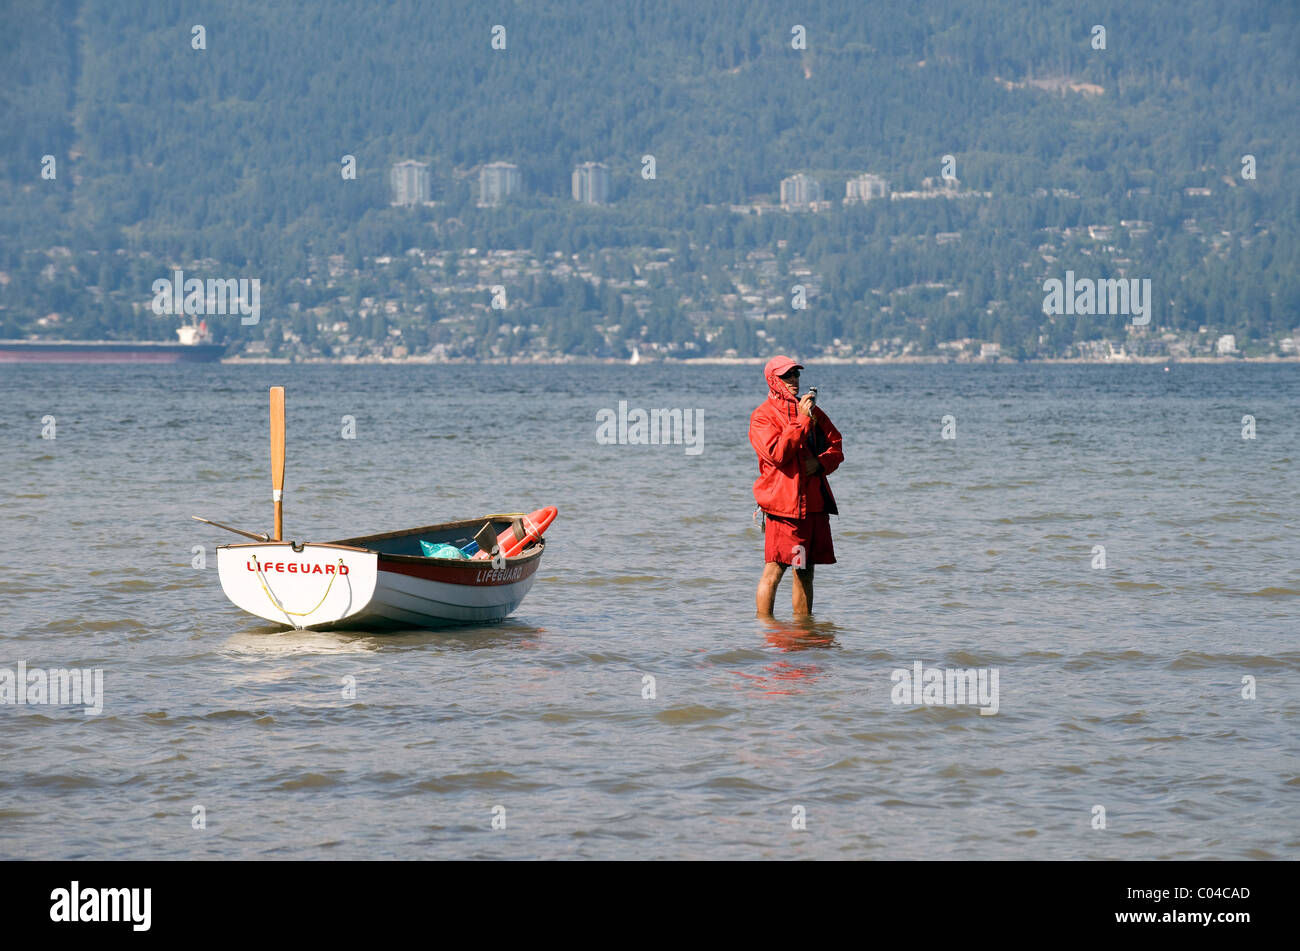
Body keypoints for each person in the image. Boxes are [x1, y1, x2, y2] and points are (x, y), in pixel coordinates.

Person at [749, 356, 843, 617]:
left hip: (812, 506)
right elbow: (778, 454)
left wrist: (820, 464)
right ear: (773, 380)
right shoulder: (761, 417)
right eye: (787, 375)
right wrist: (802, 420)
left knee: (805, 570)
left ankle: (804, 632)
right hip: (783, 508)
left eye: (796, 374)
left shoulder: (813, 411)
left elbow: (836, 446)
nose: (794, 380)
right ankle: (765, 631)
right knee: (775, 569)